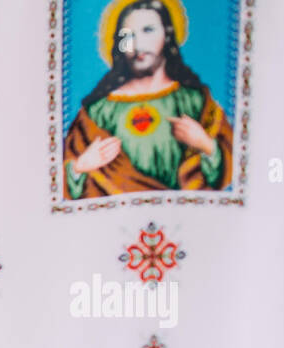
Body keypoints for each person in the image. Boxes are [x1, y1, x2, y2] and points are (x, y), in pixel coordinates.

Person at [63, 0, 231, 199]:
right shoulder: (97, 112)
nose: (138, 45)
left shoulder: (196, 101)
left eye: (148, 30)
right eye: (128, 36)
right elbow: (63, 184)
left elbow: (226, 173)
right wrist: (81, 166)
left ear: (167, 36)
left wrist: (206, 145)